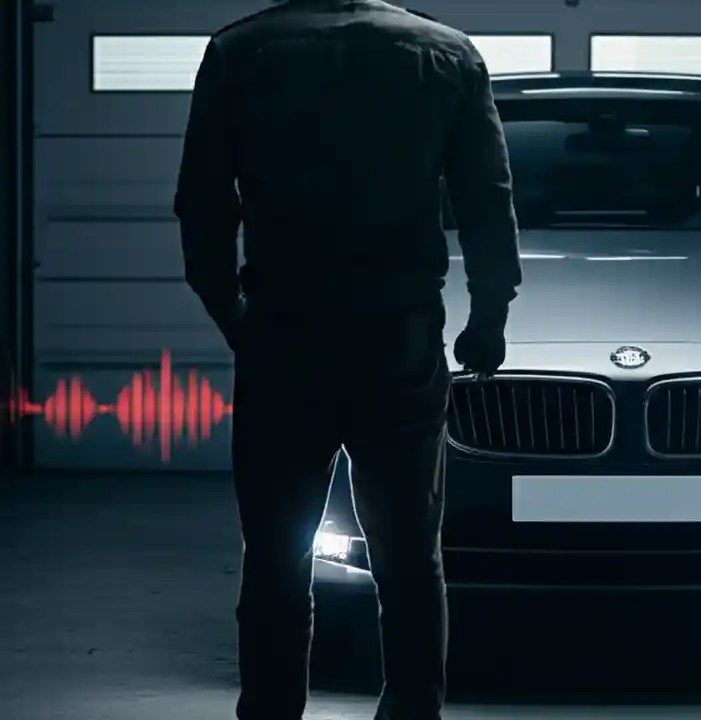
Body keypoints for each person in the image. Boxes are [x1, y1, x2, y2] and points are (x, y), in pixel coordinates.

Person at [173, 1, 522, 718]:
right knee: (409, 555)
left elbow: (202, 203)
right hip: (399, 339)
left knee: (274, 554)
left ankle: (271, 708)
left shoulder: (240, 51)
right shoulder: (448, 54)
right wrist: (489, 317)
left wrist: (231, 315)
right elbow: (486, 201)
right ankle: (412, 706)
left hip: (284, 335)